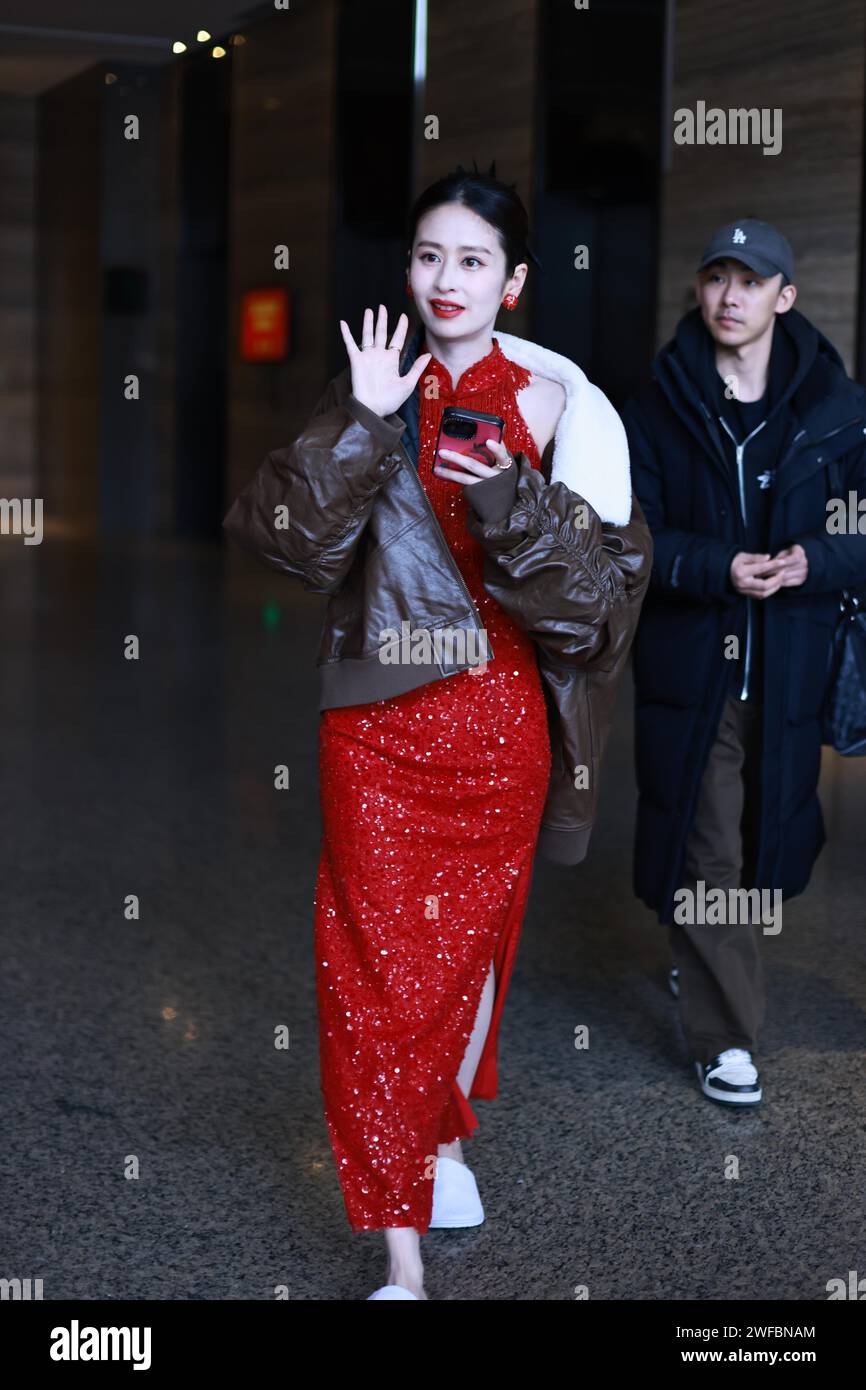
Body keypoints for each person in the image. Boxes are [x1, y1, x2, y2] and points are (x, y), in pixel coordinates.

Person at [222, 164, 651, 1300]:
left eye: (470, 260)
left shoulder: (564, 410)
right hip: (373, 728)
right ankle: (400, 1254)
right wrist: (363, 419)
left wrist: (512, 494)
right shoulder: (366, 387)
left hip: (497, 728)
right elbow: (281, 544)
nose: (443, 279)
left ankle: (442, 1144)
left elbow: (593, 615)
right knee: (374, 975)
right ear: (405, 270)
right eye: (426, 256)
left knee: (466, 962)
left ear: (512, 282)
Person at [622, 218, 866, 1107]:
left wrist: (815, 560)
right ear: (700, 288)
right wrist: (713, 565)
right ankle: (728, 1039)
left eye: (751, 281)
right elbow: (634, 534)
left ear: (784, 296)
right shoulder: (654, 404)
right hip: (696, 670)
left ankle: (698, 943)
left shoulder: (837, 411)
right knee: (708, 840)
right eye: (717, 277)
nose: (731, 296)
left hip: (794, 668)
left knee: (760, 846)